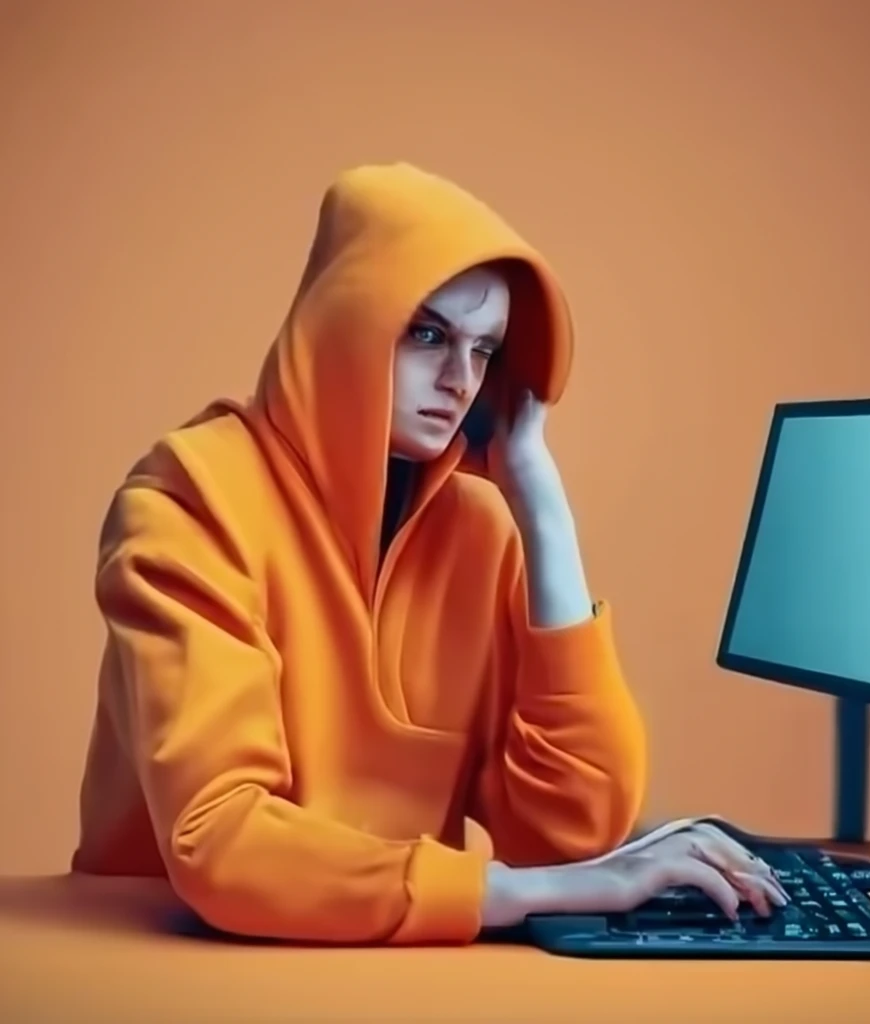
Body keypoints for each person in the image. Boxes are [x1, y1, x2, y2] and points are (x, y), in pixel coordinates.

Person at [71, 162, 788, 945]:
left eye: (486, 351)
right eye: (427, 334)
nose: (459, 380)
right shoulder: (188, 501)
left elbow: (571, 833)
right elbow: (221, 839)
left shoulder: (477, 530)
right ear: (343, 323)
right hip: (171, 962)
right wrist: (528, 891)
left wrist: (542, 510)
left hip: (401, 969)